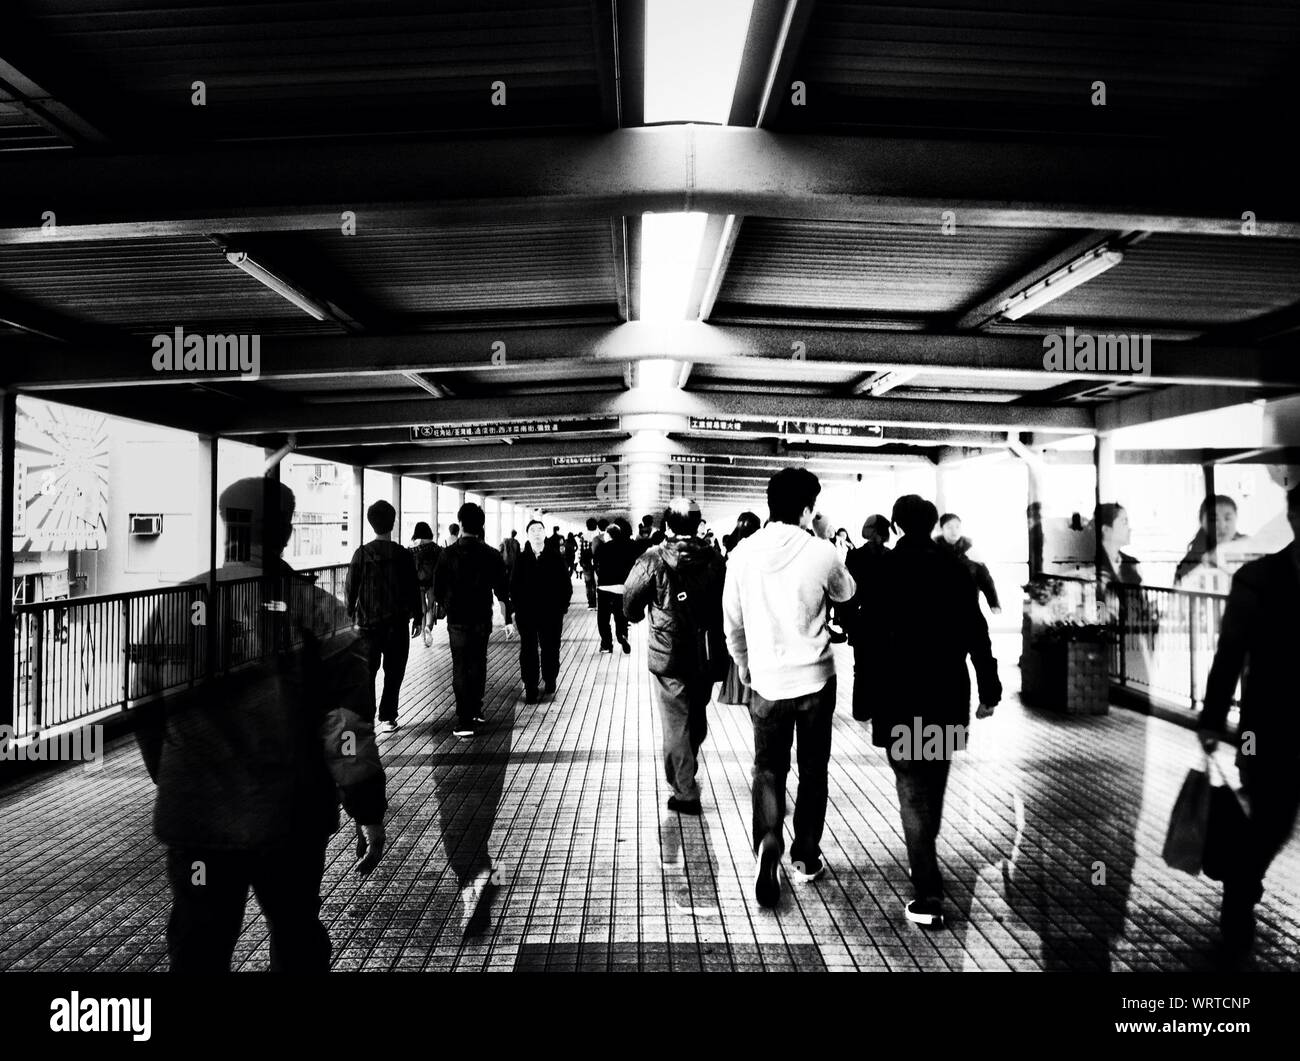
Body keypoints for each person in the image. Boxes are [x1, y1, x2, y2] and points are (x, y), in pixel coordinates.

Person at [134, 478, 387, 972]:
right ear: (286, 531)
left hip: (200, 828)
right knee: (295, 931)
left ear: (226, 524)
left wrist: (174, 779)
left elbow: (147, 709)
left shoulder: (174, 606)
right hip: (290, 823)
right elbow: (347, 726)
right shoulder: (319, 612)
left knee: (199, 941)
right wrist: (367, 808)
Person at [861, 495, 1001, 929]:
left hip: (900, 696)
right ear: (932, 525)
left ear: (898, 526)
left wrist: (863, 698)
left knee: (910, 785)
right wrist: (989, 688)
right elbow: (979, 634)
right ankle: (924, 858)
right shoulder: (958, 568)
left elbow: (868, 640)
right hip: (945, 695)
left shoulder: (884, 569)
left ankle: (927, 887)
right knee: (933, 776)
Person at [722, 468, 855, 908]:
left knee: (767, 768)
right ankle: (805, 857)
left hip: (767, 683)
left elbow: (733, 624)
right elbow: (846, 592)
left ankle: (767, 841)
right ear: (805, 508)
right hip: (816, 680)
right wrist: (822, 539)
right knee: (814, 768)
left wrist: (744, 667)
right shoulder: (821, 552)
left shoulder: (741, 554)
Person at [1198, 484, 1300, 960]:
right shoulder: (1257, 579)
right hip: (1265, 727)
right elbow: (1230, 653)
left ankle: (1243, 882)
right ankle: (1242, 884)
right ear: (1293, 518)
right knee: (1271, 814)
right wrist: (1213, 716)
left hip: (1268, 723)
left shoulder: (1259, 578)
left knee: (1272, 815)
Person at [624, 497, 727, 816]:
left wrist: (639, 615)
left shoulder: (652, 558)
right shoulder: (714, 559)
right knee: (695, 718)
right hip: (707, 652)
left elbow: (630, 602)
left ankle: (685, 791)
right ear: (698, 525)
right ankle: (686, 770)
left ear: (666, 526)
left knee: (676, 723)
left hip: (669, 655)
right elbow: (726, 604)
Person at [433, 502, 509, 739]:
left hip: (457, 620)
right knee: (478, 662)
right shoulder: (491, 555)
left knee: (460, 666)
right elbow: (502, 590)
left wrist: (448, 603)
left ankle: (464, 719)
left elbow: (437, 590)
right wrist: (507, 619)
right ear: (481, 526)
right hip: (481, 619)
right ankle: (475, 708)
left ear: (461, 524)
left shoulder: (447, 554)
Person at [346, 499, 420, 733]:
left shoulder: (361, 554)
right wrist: (418, 616)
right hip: (397, 624)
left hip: (367, 624)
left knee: (367, 673)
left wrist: (349, 617)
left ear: (371, 523)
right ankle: (388, 716)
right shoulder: (403, 555)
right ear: (393, 522)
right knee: (394, 671)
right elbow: (413, 588)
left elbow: (350, 589)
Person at [510, 519, 572, 702]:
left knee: (550, 647)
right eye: (533, 530)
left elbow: (565, 584)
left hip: (551, 612)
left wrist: (562, 606)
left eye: (540, 529)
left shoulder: (554, 557)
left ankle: (550, 677)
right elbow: (513, 586)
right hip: (527, 613)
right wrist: (517, 609)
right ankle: (530, 686)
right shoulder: (521, 559)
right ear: (527, 535)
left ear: (544, 534)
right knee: (528, 649)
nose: (537, 533)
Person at [846, 513, 892, 723]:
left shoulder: (855, 556)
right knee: (883, 666)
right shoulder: (891, 557)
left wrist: (849, 622)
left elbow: (849, 593)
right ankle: (879, 707)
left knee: (862, 667)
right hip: (886, 620)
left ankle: (861, 710)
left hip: (862, 619)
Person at [717, 511, 761, 707]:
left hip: (740, 604)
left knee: (739, 645)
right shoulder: (762, 548)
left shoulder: (733, 550)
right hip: (758, 606)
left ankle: (739, 690)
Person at [1175, 495, 1249, 585]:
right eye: (1214, 519)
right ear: (1202, 522)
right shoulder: (1191, 562)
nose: (1222, 526)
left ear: (1236, 518)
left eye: (1227, 518)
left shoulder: (1250, 548)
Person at [936, 513, 1002, 614]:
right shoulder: (933, 550)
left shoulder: (970, 550)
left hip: (969, 607)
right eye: (949, 527)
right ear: (941, 529)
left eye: (957, 527)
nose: (954, 531)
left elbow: (985, 579)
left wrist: (994, 604)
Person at [595, 517, 637, 654]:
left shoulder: (602, 548)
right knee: (621, 616)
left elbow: (597, 566)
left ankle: (607, 644)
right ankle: (622, 635)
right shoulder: (629, 547)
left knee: (603, 618)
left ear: (608, 535)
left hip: (605, 587)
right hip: (621, 587)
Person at [410, 521, 442, 648]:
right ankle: (429, 627)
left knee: (421, 608)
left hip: (418, 582)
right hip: (432, 581)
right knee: (430, 607)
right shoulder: (434, 547)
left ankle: (423, 635)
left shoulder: (412, 547)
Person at [500, 529, 521, 627]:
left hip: (505, 565)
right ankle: (512, 601)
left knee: (506, 582)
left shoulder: (505, 541)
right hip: (514, 565)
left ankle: (508, 600)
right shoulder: (516, 543)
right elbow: (519, 554)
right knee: (512, 582)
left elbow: (500, 551)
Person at [580, 517, 600, 609]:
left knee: (588, 583)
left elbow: (581, 551)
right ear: (596, 526)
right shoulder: (599, 536)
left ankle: (591, 604)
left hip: (586, 563)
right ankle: (599, 603)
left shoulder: (583, 536)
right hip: (598, 562)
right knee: (599, 583)